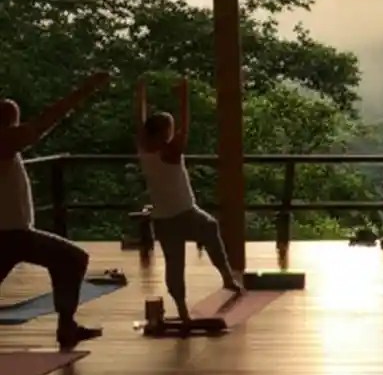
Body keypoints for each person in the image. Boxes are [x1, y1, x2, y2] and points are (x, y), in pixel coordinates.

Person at [0, 73, 111, 350]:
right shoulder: (3, 142)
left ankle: (67, 327)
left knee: (70, 260)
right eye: (15, 120)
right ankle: (66, 327)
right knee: (72, 259)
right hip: (10, 234)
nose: (19, 125)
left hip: (14, 233)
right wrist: (84, 90)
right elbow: (44, 123)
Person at [135, 77, 240, 322]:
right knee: (209, 230)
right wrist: (184, 96)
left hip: (162, 217)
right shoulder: (170, 151)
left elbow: (139, 122)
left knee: (175, 263)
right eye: (169, 128)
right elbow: (185, 127)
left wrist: (140, 94)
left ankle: (183, 309)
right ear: (164, 133)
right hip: (184, 212)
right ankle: (225, 278)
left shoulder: (144, 148)